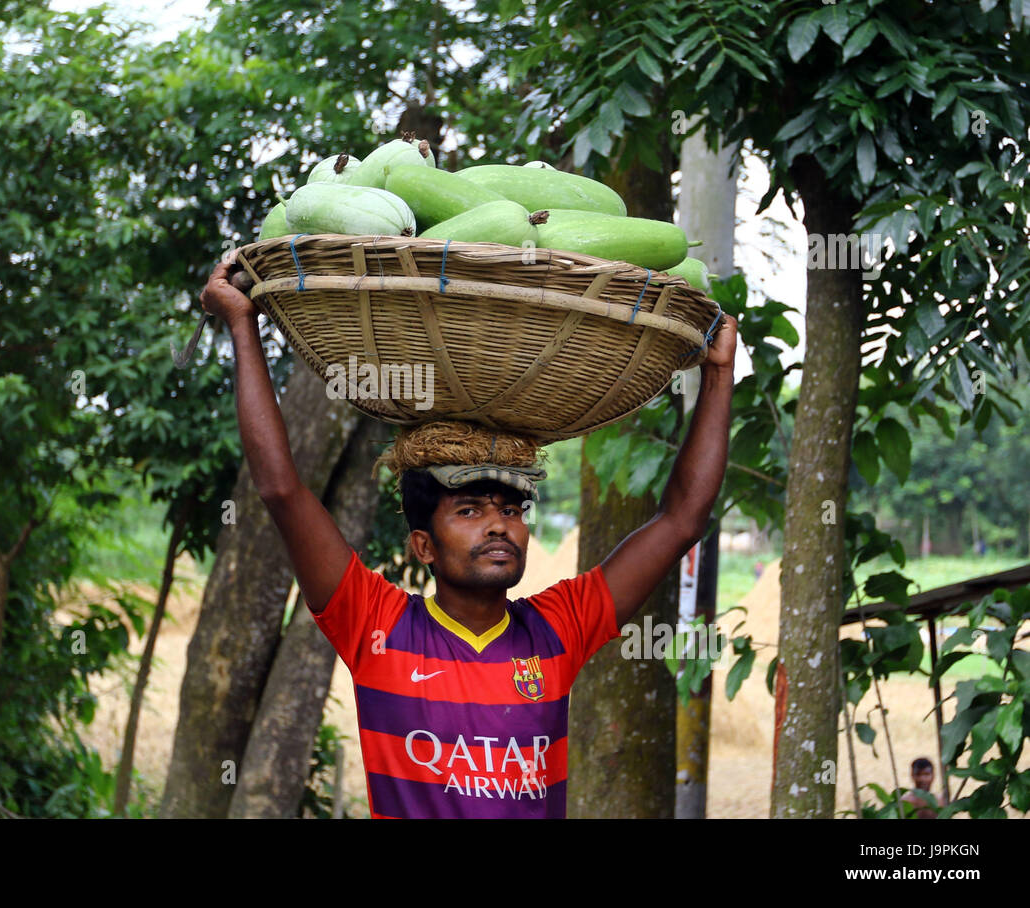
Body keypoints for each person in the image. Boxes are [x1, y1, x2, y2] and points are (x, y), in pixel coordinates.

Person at [200, 257, 737, 818]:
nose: (500, 524)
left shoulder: (559, 628)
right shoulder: (374, 624)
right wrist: (243, 325)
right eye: (470, 509)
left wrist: (719, 373)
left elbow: (681, 520)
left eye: (510, 508)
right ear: (423, 546)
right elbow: (281, 489)